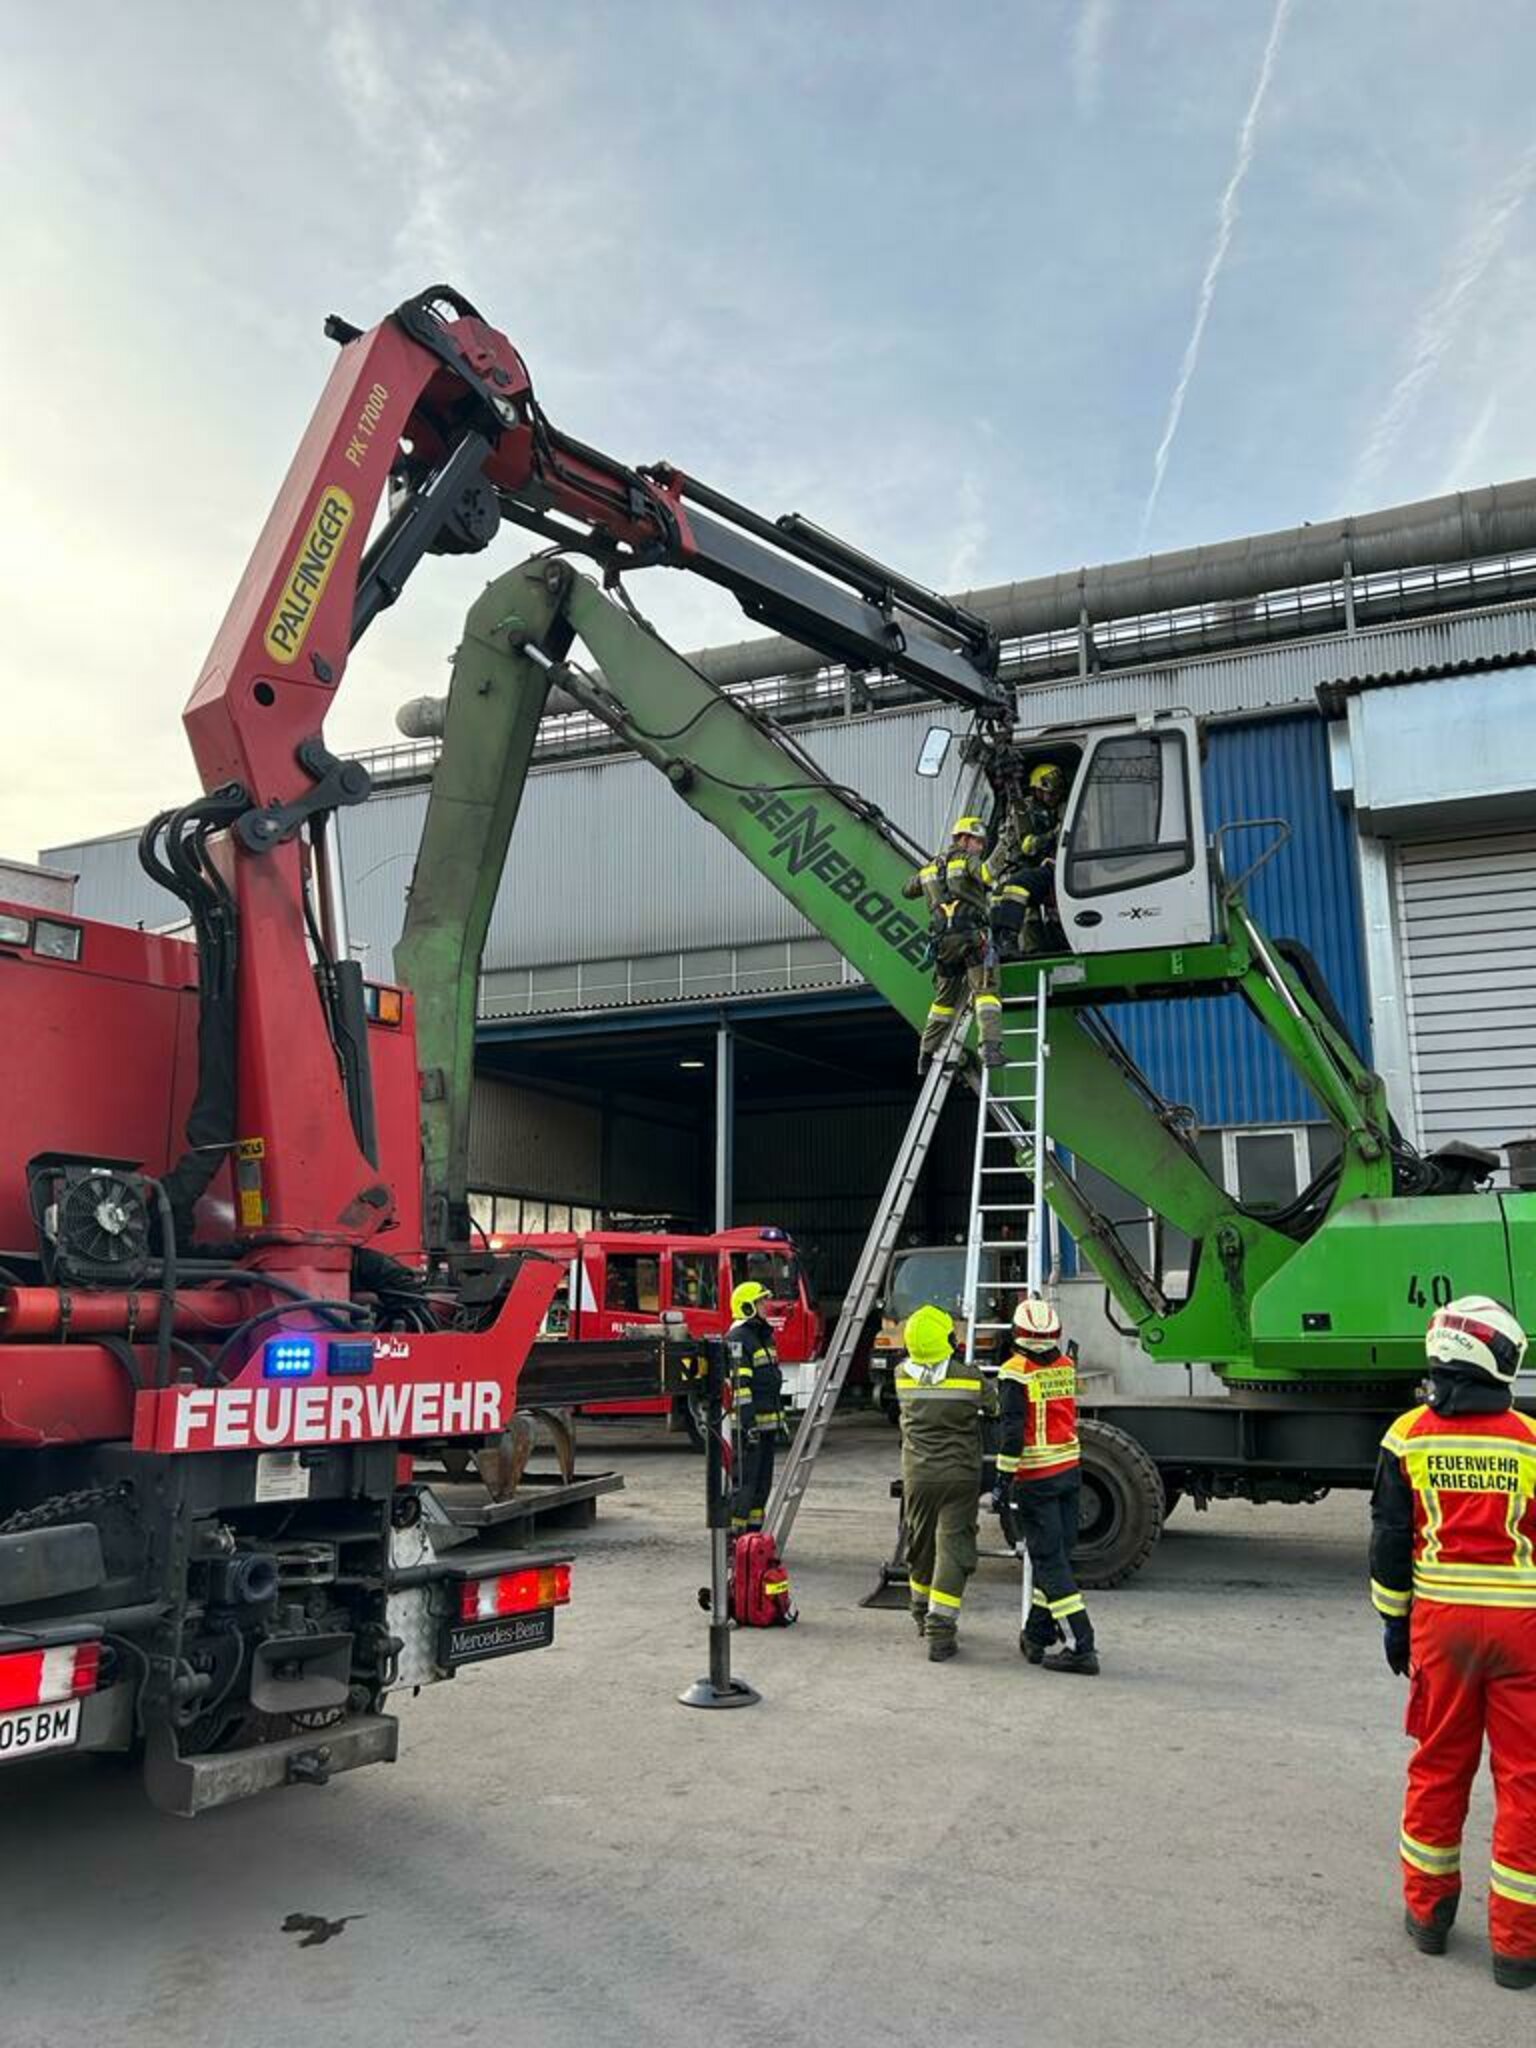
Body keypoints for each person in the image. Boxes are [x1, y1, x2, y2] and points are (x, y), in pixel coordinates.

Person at [1370, 1295, 1536, 1990]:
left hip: (1442, 1628)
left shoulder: (1407, 1436)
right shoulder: (1530, 1439)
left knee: (1439, 1768)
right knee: (1525, 1782)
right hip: (1524, 1630)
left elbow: (1388, 1540)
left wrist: (1394, 1620)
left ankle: (1430, 1917)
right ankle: (1517, 1950)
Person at [997, 1297, 1099, 1674]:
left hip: (1037, 1479)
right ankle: (1037, 1635)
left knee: (1049, 1561)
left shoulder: (1014, 1372)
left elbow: (1011, 1436)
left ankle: (1081, 1645)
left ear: (1017, 1333)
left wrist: (1002, 1480)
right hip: (1070, 1473)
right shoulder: (1066, 1366)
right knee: (1055, 1557)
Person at [896, 1302, 997, 1661]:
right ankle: (941, 1630)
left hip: (919, 1477)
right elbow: (995, 1405)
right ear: (949, 1340)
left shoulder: (900, 1376)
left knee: (920, 1545)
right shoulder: (969, 1378)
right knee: (953, 1548)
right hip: (960, 1476)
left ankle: (921, 1613)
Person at [902, 816, 1004, 1071]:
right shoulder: (967, 860)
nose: (980, 848)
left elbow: (907, 890)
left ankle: (925, 1056)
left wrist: (932, 878)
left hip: (943, 943)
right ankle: (990, 1051)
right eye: (978, 842)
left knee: (943, 1002)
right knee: (985, 992)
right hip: (971, 937)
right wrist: (1005, 844)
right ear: (964, 839)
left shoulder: (929, 868)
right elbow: (987, 874)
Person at [991, 763, 1067, 961]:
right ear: (1037, 791)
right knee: (1027, 920)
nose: (1054, 798)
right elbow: (1027, 846)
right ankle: (1022, 952)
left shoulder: (1057, 810)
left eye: (1057, 793)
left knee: (1053, 920)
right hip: (1018, 871)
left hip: (1040, 870)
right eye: (1050, 793)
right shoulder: (1023, 810)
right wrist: (1055, 834)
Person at [727, 1280, 783, 1536]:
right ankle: (735, 1538)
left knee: (762, 1486)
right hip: (749, 1429)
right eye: (761, 1302)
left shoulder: (763, 1336)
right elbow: (742, 1389)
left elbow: (770, 1380)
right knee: (746, 1486)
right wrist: (748, 1426)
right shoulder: (739, 1338)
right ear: (748, 1307)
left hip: (767, 1426)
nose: (766, 1306)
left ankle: (754, 1537)